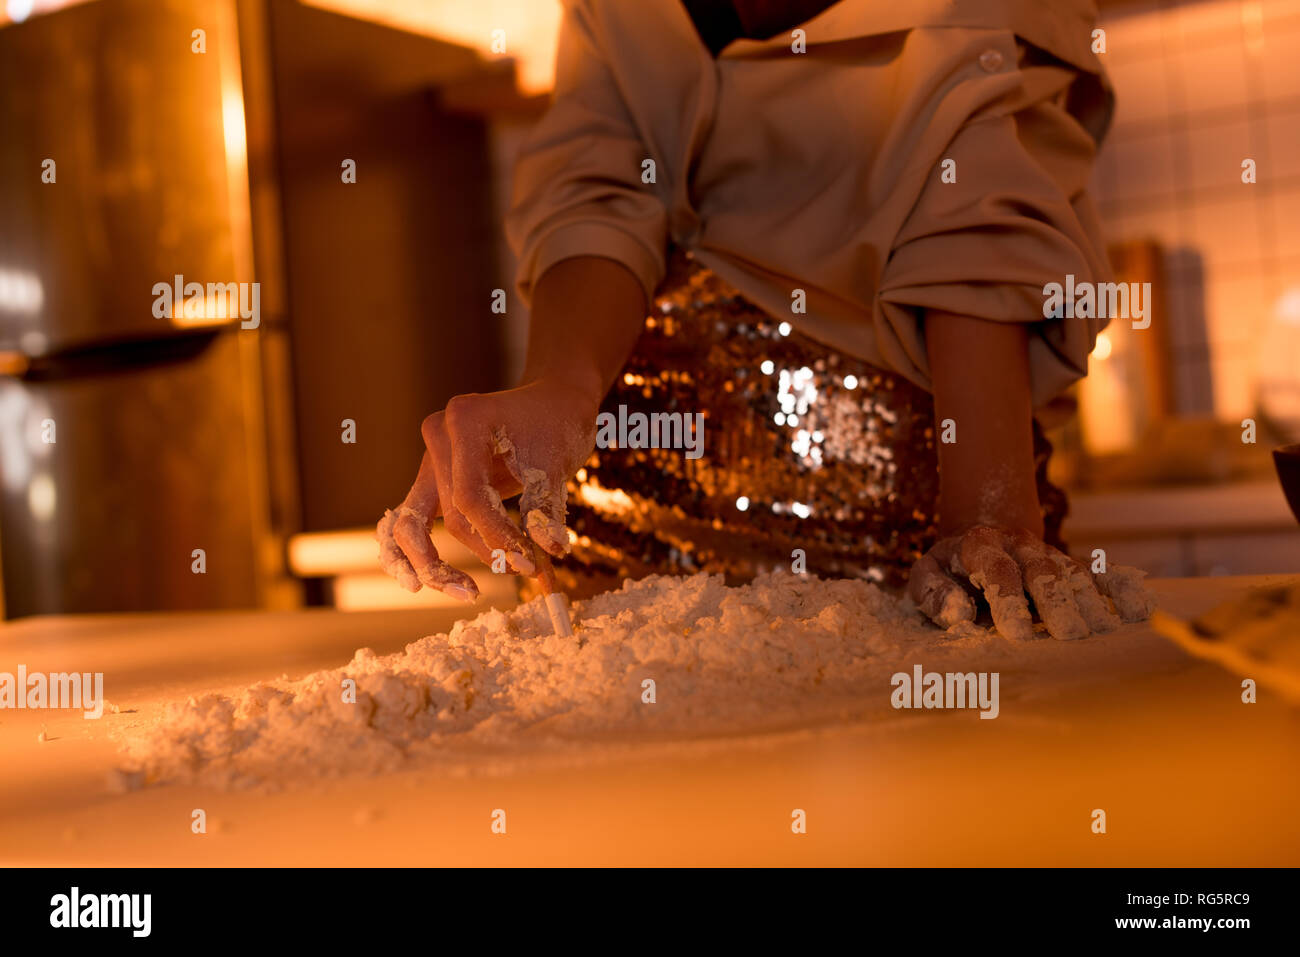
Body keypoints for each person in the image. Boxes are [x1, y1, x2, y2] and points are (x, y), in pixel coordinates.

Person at [376, 0, 1155, 640]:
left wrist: (988, 515)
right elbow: (598, 195)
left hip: (910, 580)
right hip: (618, 582)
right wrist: (560, 391)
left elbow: (975, 210)